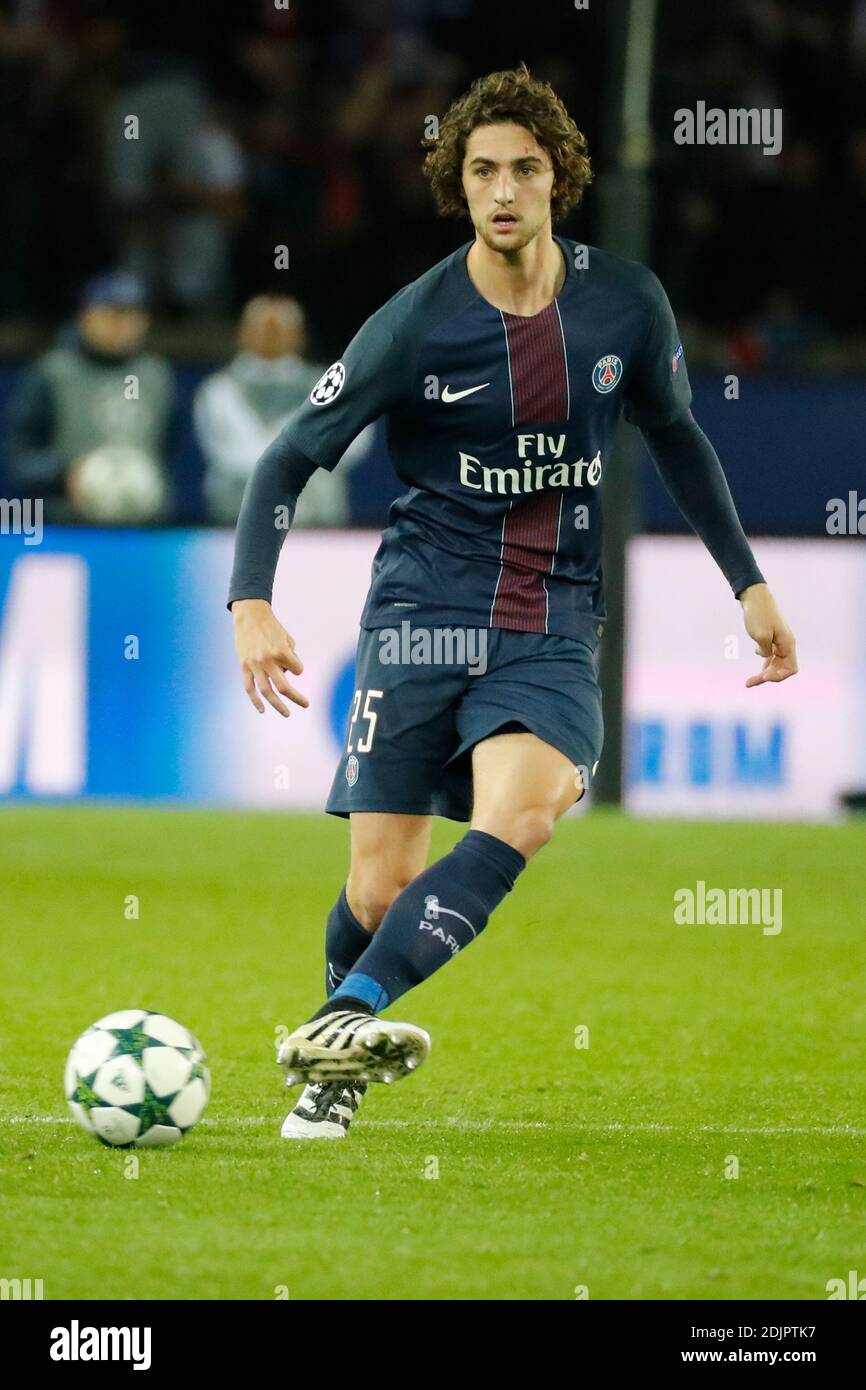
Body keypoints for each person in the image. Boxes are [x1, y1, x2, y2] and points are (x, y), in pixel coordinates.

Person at [227, 65, 798, 1141]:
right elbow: (286, 459)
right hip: (419, 614)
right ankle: (340, 1040)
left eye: (524, 169)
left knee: (524, 815)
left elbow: (677, 436)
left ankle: (342, 1029)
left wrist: (749, 582)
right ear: (459, 182)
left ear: (558, 179)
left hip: (552, 618)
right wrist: (250, 600)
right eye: (482, 169)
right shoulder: (415, 323)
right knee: (378, 892)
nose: (503, 189)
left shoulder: (624, 303)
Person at [6, 271, 176, 523]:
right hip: (70, 526)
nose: (125, 326)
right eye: (113, 315)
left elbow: (168, 449)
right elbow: (20, 460)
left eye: (134, 315)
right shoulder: (52, 374)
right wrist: (66, 472)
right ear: (85, 317)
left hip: (145, 526)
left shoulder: (154, 376)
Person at [194, 295, 372, 526]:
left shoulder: (330, 384)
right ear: (243, 333)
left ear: (299, 334)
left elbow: (354, 443)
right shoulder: (219, 389)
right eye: (263, 328)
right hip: (240, 515)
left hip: (317, 516)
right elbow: (226, 453)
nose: (272, 335)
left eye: (280, 328)